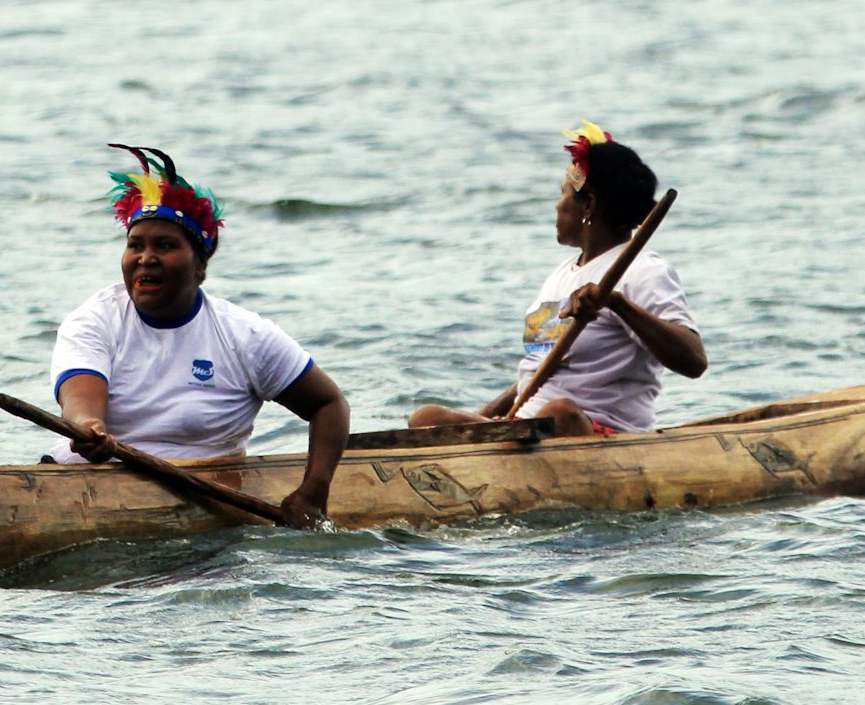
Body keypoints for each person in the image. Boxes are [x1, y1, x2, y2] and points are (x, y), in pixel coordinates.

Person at [46, 146, 350, 528]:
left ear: (201, 264)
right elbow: (82, 400)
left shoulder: (244, 335)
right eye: (135, 244)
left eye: (166, 246)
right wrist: (88, 428)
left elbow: (329, 403)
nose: (146, 258)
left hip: (209, 500)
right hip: (87, 484)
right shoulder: (92, 320)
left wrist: (314, 492)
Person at [408, 123, 706, 437]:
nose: (557, 204)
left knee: (558, 413)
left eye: (563, 192)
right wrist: (489, 414)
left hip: (599, 432)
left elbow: (694, 360)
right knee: (426, 418)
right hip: (526, 430)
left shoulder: (643, 270)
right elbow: (549, 365)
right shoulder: (563, 274)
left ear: (588, 205)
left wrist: (617, 304)